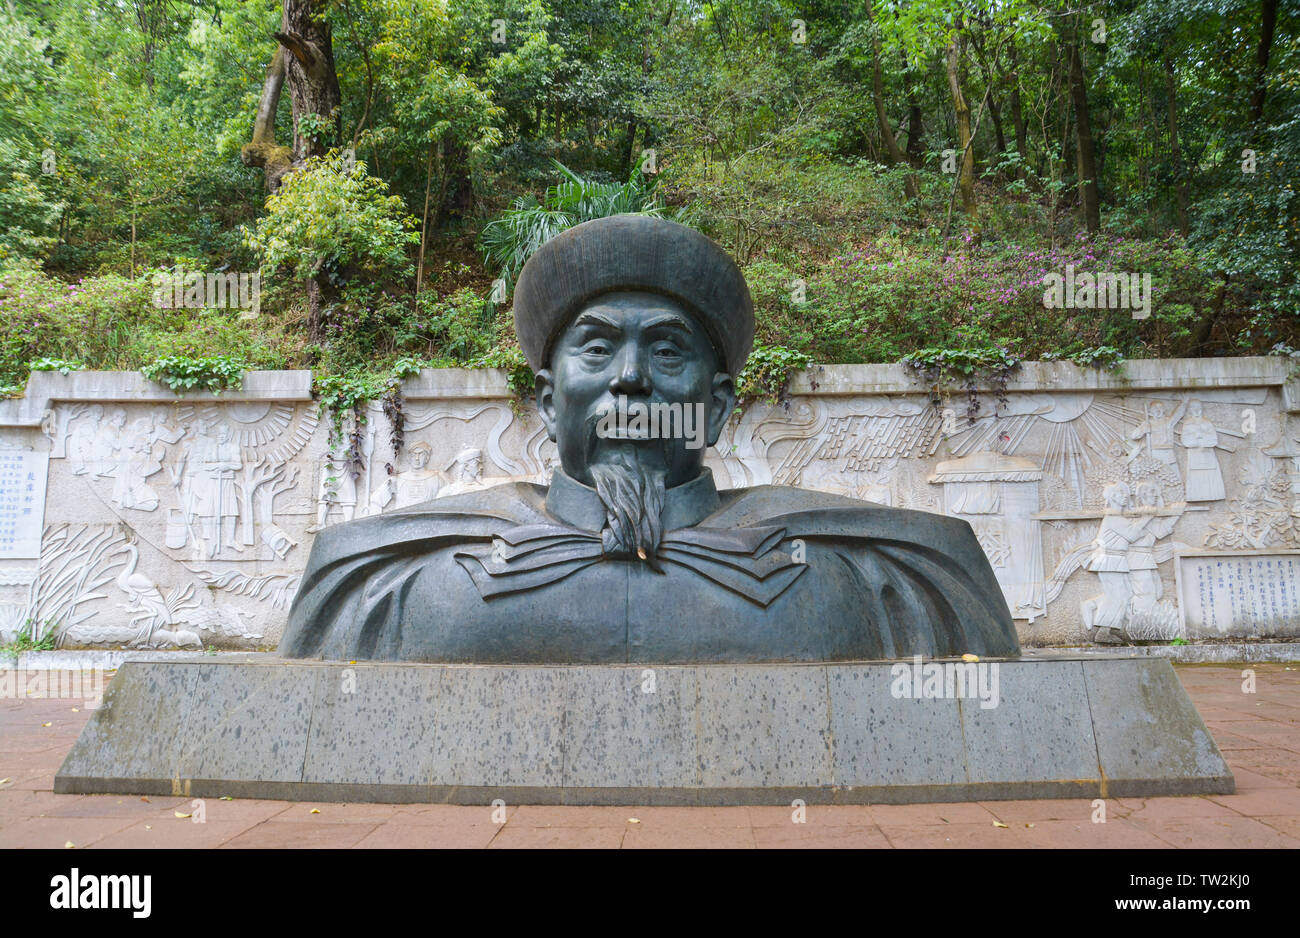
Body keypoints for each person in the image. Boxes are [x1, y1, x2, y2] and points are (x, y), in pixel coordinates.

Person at [279, 216, 1018, 663]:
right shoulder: (383, 583)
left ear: (718, 407)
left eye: (668, 352)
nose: (629, 380)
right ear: (546, 401)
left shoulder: (887, 577)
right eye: (596, 350)